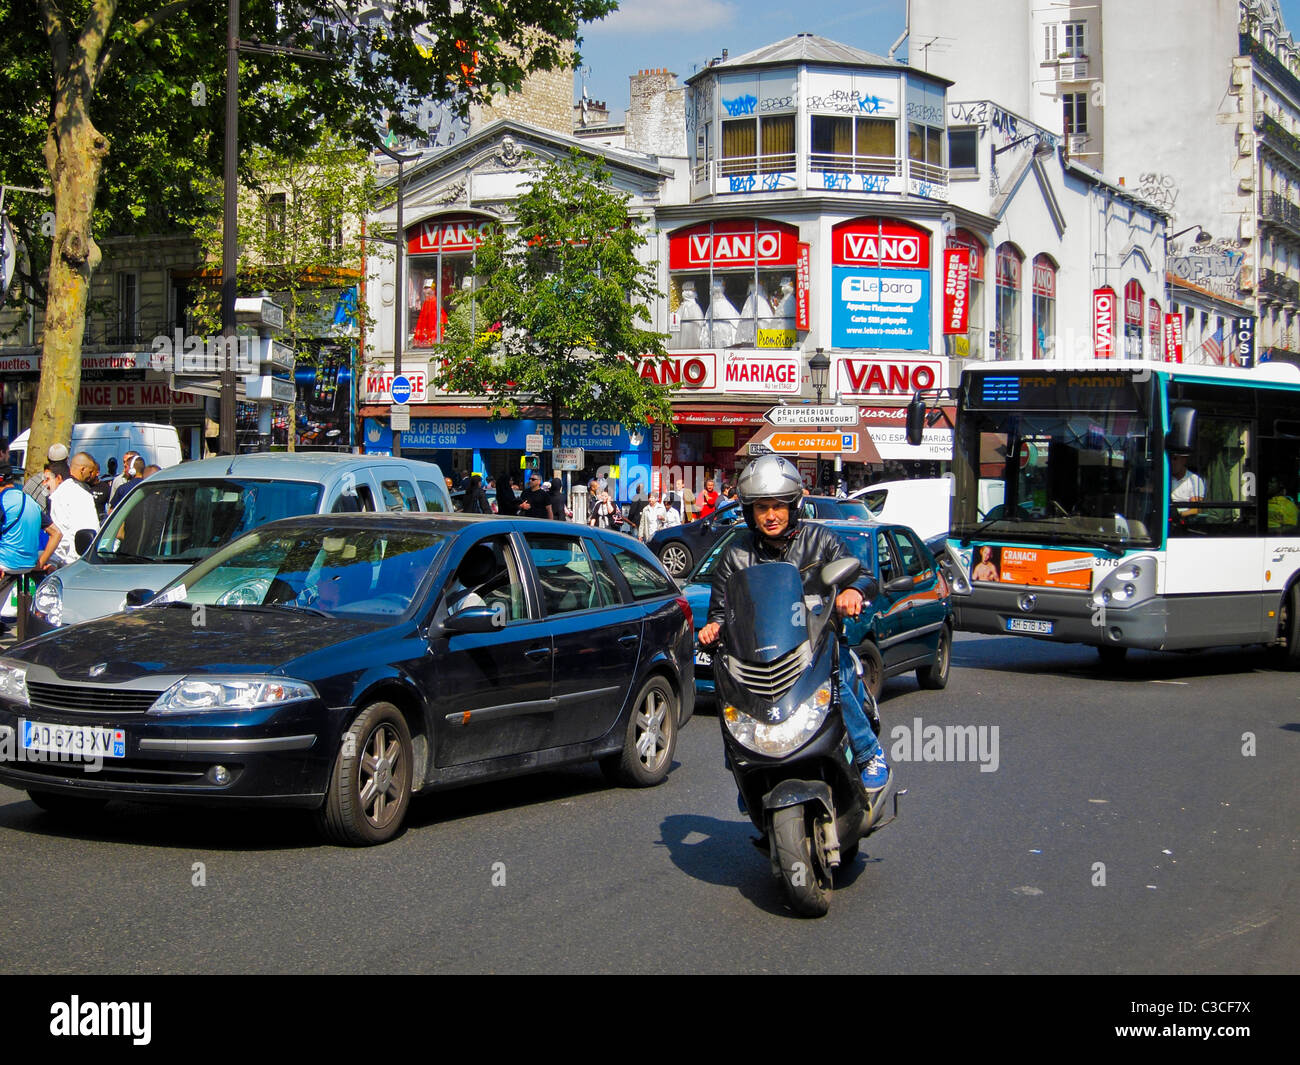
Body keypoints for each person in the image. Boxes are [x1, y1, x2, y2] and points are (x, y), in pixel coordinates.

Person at [697, 454, 889, 791]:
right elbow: (720, 610)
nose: (770, 515)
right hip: (758, 654)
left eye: (777, 506)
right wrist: (712, 627)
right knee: (732, 697)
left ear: (792, 506)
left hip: (815, 646)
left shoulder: (821, 541)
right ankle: (746, 772)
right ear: (749, 512)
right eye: (761, 508)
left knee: (837, 683)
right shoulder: (735, 554)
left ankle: (868, 753)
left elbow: (863, 575)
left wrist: (853, 592)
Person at [0, 462, 44, 630]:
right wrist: (41, 561)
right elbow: (56, 532)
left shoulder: (3, 500)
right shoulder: (30, 500)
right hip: (30, 564)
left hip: (6, 563)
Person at [36, 458, 100, 570]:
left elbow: (61, 536)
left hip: (69, 563)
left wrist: (53, 562)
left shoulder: (59, 497)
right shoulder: (83, 493)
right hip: (89, 559)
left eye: (47, 479)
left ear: (59, 478)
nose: (44, 484)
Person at [1169, 449, 1205, 518]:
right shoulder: (1165, 478)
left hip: (1184, 520)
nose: (1172, 462)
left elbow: (1196, 509)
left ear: (1184, 460)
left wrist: (1178, 515)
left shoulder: (1194, 480)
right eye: (1170, 459)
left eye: (1175, 459)